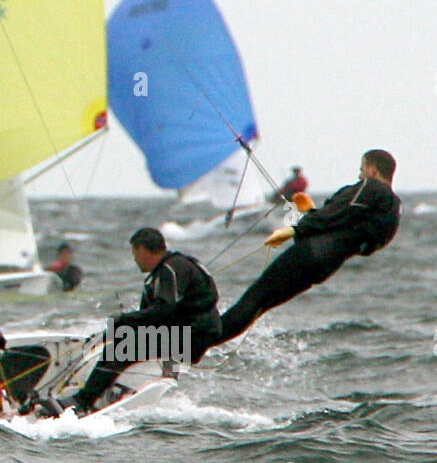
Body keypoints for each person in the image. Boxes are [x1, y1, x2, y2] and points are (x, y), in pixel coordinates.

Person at [206, 149, 401, 352]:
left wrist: (292, 230)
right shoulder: (393, 206)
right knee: (258, 307)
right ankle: (190, 351)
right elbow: (352, 231)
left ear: (371, 169)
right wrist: (310, 212)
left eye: (361, 170)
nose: (359, 176)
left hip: (310, 253)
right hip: (325, 266)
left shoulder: (371, 188)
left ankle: (187, 347)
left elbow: (336, 215)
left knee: (253, 299)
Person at [61, 228, 220, 416]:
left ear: (143, 250)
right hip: (193, 333)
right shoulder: (175, 266)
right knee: (124, 338)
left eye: (134, 253)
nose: (134, 259)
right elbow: (155, 317)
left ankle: (83, 402)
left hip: (192, 338)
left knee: (120, 349)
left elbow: (163, 310)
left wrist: (125, 320)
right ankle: (115, 388)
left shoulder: (169, 270)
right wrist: (117, 329)